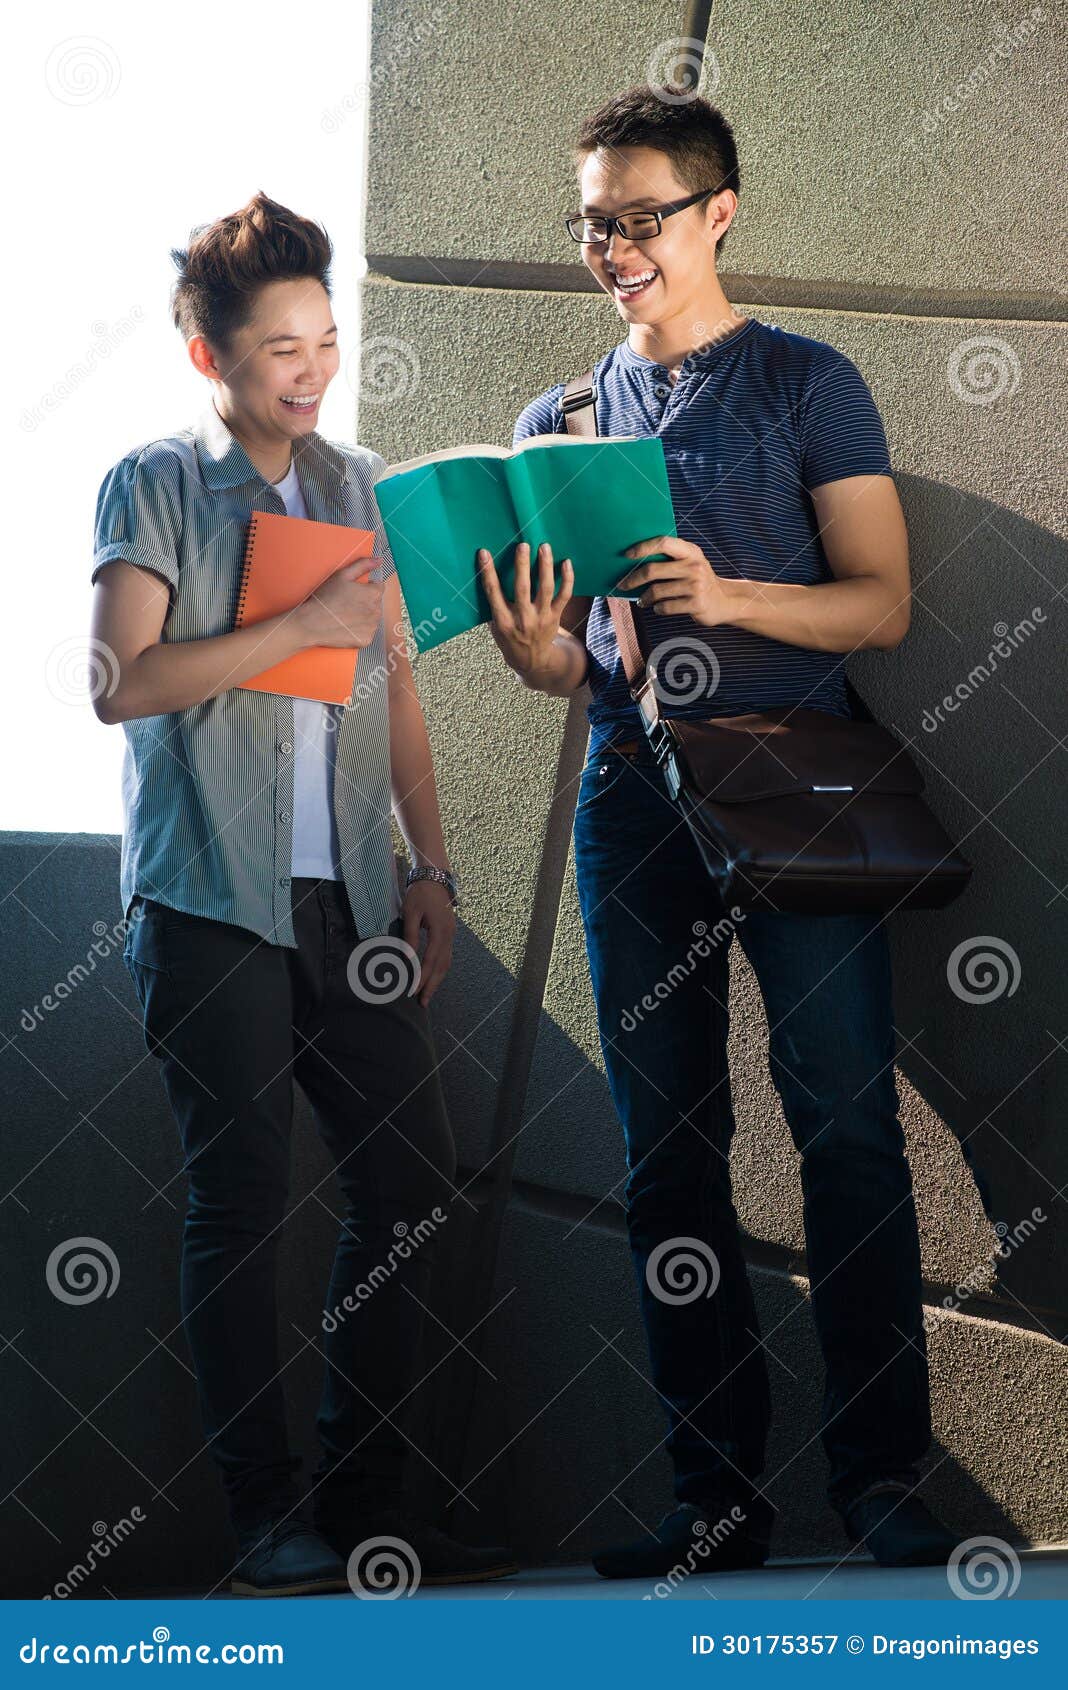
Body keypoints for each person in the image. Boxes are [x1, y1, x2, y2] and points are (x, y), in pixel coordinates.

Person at [479, 88, 959, 1577]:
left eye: (638, 216)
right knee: (666, 1156)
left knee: (846, 1129)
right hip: (639, 802)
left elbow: (878, 600)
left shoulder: (811, 380)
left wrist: (729, 593)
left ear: (719, 213)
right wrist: (538, 651)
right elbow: (577, 667)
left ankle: (882, 1479)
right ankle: (717, 1499)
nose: (610, 245)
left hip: (802, 780)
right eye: (591, 222)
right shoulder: (552, 422)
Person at [90, 192, 516, 1595]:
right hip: (212, 899)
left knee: (411, 1183)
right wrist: (292, 626)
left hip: (349, 905)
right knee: (242, 1203)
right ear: (212, 357)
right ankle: (267, 1518)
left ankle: (360, 1510)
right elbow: (121, 685)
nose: (313, 368)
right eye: (282, 346)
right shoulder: (152, 481)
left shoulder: (354, 484)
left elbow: (388, 687)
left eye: (327, 338)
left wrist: (434, 865)